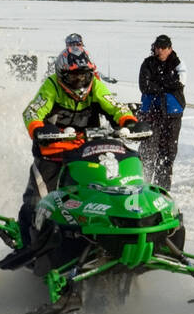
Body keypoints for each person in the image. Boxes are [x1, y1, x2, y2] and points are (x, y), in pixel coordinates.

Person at [18, 46, 138, 242]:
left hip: (87, 151)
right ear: (62, 76)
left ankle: (109, 232)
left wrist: (128, 121)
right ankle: (27, 245)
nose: (80, 82)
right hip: (53, 153)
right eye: (74, 78)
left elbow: (114, 106)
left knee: (101, 191)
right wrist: (38, 128)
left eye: (84, 76)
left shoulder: (96, 86)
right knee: (35, 201)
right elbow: (32, 112)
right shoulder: (52, 86)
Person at [137, 34, 186, 189]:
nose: (160, 50)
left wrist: (157, 83)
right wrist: (166, 85)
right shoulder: (148, 63)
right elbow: (144, 86)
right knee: (147, 151)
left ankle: (163, 188)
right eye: (157, 47)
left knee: (168, 152)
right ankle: (142, 184)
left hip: (172, 114)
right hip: (151, 112)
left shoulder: (178, 64)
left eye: (163, 48)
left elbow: (179, 83)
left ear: (170, 49)